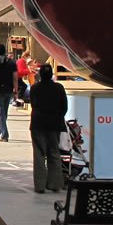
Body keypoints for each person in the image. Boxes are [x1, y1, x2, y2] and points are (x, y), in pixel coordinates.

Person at [29, 63, 68, 193]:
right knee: (54, 153)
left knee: (39, 153)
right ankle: (55, 183)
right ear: (51, 75)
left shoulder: (35, 88)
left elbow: (33, 104)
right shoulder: (59, 88)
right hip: (55, 123)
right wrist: (58, 116)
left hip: (38, 123)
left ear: (40, 75)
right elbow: (64, 107)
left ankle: (39, 185)